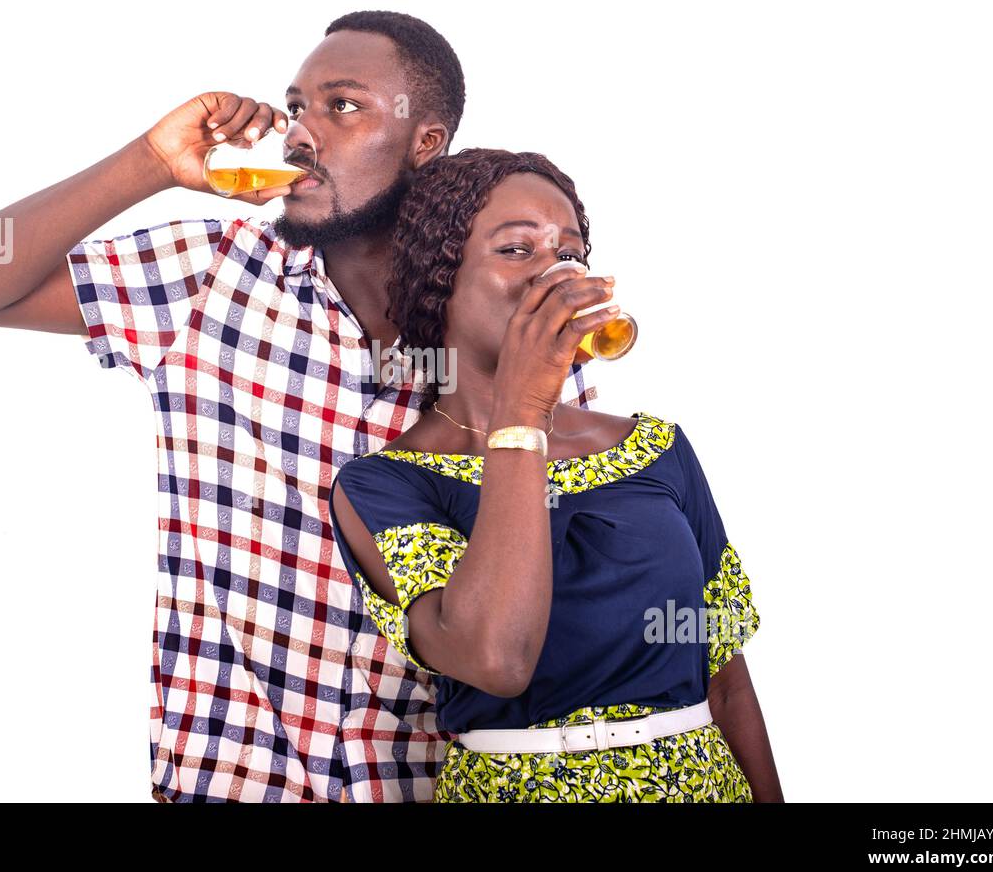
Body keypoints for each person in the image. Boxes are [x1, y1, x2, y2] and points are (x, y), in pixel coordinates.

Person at [0, 12, 602, 802]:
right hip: (236, 779)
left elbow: (556, 574)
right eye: (297, 105)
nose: (300, 133)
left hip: (436, 783)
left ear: (426, 140)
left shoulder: (514, 320)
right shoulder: (208, 276)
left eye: (342, 106)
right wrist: (148, 162)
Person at [328, 148, 784, 801]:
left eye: (569, 253)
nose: (555, 274)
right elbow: (496, 658)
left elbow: (727, 680)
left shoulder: (659, 449)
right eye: (517, 249)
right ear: (441, 277)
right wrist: (522, 411)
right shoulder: (384, 485)